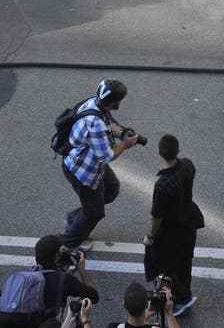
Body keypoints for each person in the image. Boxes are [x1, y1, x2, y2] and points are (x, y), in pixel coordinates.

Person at [62, 79, 139, 249]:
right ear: (114, 102)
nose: (121, 102)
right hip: (83, 171)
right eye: (120, 99)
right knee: (94, 213)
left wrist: (119, 133)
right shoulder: (95, 123)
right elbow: (106, 156)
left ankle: (75, 220)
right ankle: (69, 244)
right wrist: (125, 144)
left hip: (93, 164)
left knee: (111, 190)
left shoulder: (94, 103)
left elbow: (105, 127)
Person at [142, 135, 199, 317]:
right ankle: (184, 290)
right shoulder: (188, 166)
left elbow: (156, 216)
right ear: (178, 150)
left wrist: (150, 237)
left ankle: (183, 297)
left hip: (171, 231)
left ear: (159, 152)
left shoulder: (162, 185)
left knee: (160, 262)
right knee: (185, 262)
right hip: (189, 223)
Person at [25, 235, 99, 323]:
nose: (64, 254)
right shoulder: (64, 280)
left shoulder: (25, 276)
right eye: (61, 251)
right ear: (57, 256)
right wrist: (81, 270)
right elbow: (94, 296)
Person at [106, 280, 180, 328]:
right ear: (147, 304)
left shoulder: (112, 326)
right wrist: (169, 312)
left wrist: (146, 316)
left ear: (124, 305)